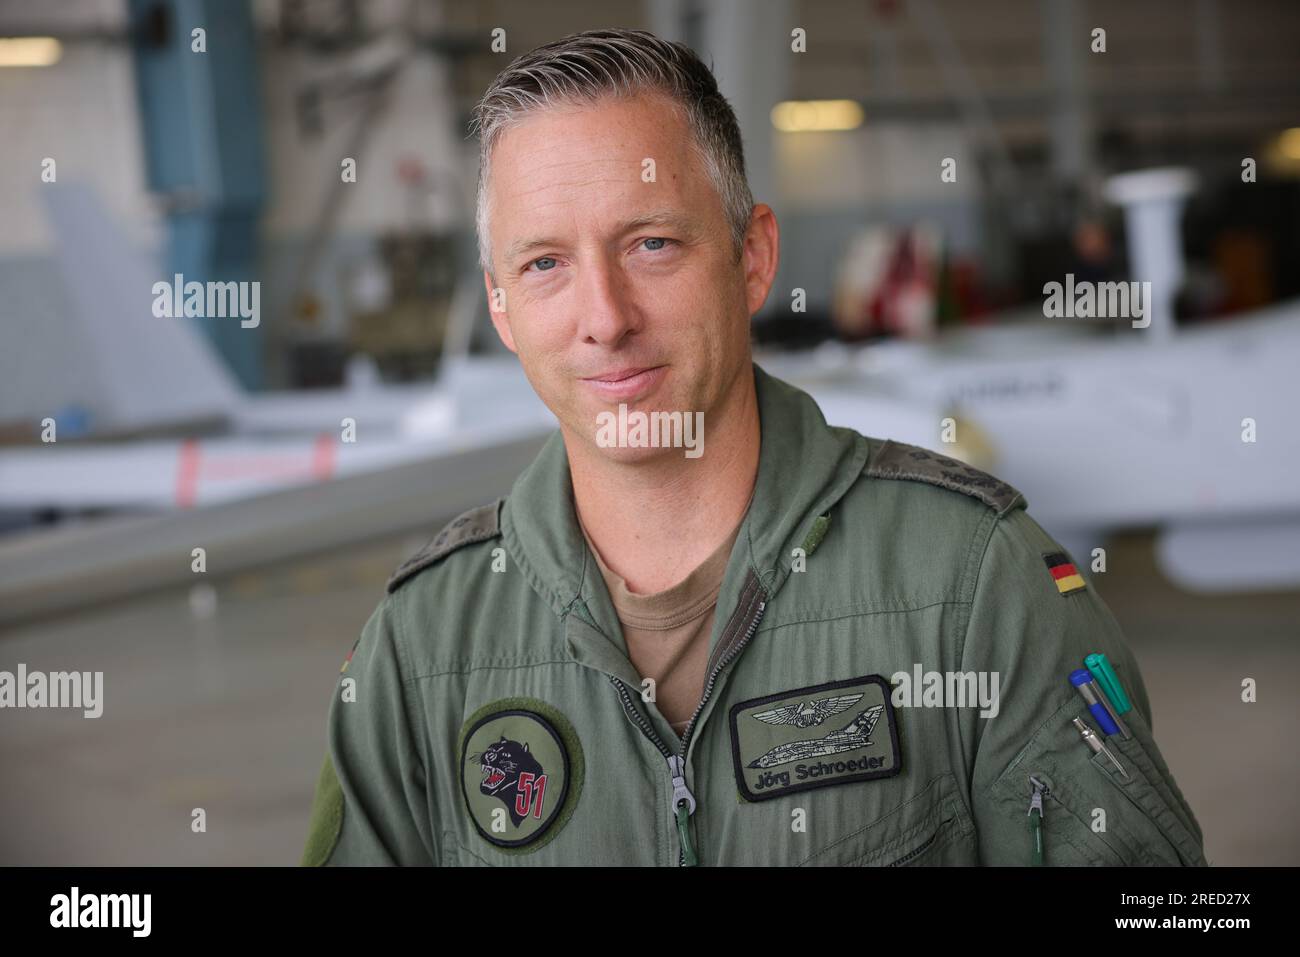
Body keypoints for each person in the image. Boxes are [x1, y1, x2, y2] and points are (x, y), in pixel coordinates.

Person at [301, 28, 1206, 866]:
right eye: (545, 265)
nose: (606, 319)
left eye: (652, 244)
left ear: (752, 257)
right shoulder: (418, 652)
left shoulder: (975, 584)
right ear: (500, 307)